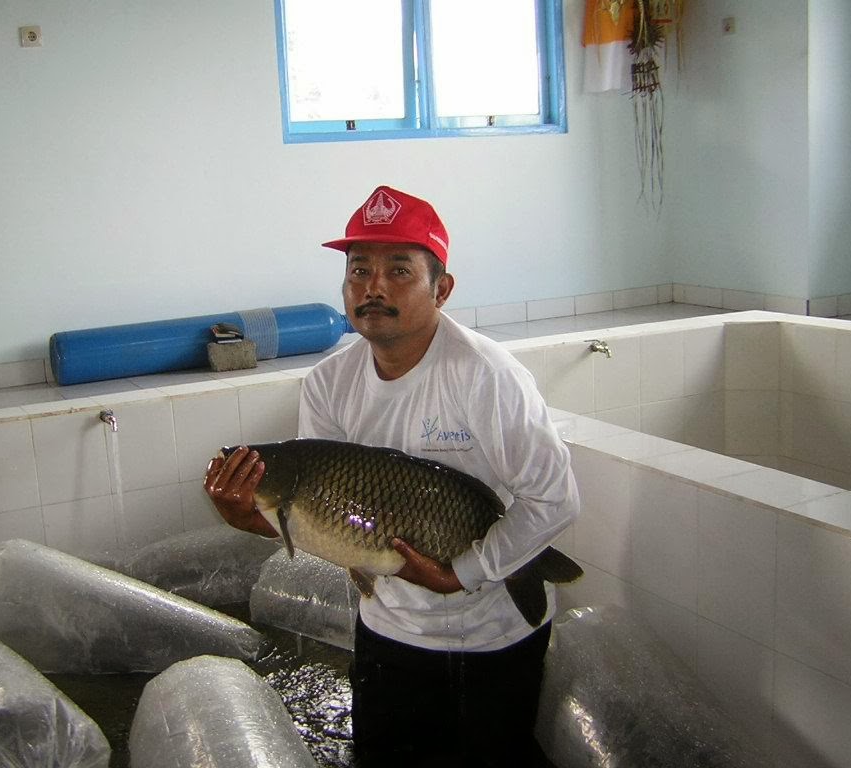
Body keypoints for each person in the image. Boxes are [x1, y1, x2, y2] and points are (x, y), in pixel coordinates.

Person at [205, 185, 580, 767]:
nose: (372, 287)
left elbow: (555, 501)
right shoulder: (328, 383)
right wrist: (249, 517)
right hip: (387, 633)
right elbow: (324, 521)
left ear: (442, 288)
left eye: (398, 270)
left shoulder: (486, 377)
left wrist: (462, 574)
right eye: (358, 270)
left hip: (488, 638)